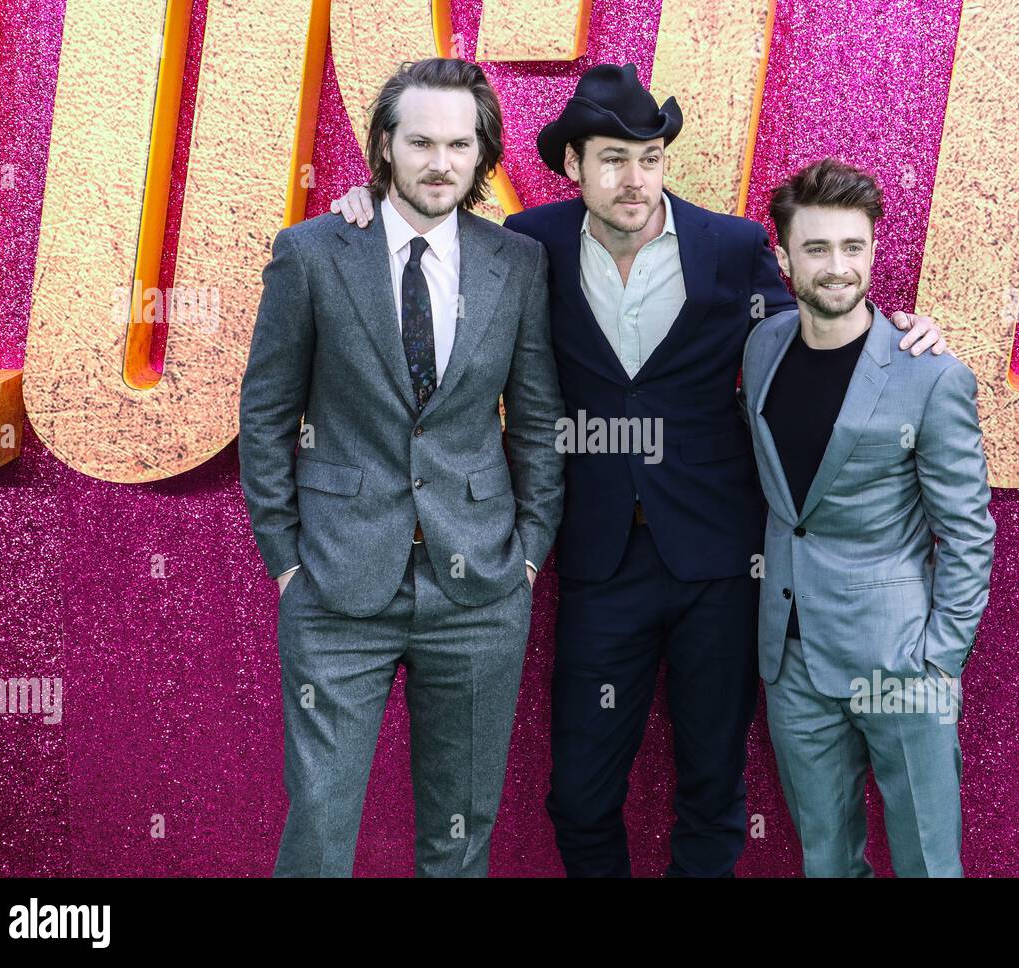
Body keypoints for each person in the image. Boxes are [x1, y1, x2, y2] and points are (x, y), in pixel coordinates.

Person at [331, 63, 948, 877]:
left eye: (649, 156)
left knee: (713, 787)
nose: (635, 178)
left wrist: (902, 329)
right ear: (573, 166)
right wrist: (367, 206)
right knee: (580, 796)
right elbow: (430, 236)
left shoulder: (729, 246)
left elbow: (821, 319)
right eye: (614, 158)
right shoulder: (529, 247)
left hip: (722, 564)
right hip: (598, 562)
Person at [238, 57, 564, 877]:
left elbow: (535, 422)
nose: (439, 162)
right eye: (420, 141)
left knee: (459, 835)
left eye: (459, 144)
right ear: (385, 144)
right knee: (319, 823)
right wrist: (286, 563)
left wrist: (526, 554)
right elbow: (267, 414)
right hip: (337, 584)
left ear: (481, 152)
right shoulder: (313, 254)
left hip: (481, 590)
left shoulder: (515, 263)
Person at [742, 156, 995, 876]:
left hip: (902, 660)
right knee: (825, 860)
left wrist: (939, 662)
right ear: (785, 255)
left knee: (926, 863)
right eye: (816, 248)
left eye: (853, 247)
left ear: (874, 251)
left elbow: (969, 532)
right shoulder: (762, 349)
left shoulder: (929, 374)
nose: (836, 267)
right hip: (791, 661)